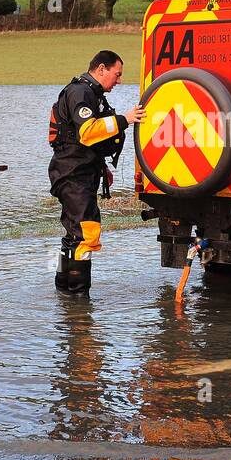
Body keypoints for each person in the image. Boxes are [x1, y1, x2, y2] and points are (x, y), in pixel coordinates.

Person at [47, 50, 144, 293]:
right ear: (101, 69)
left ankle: (65, 296)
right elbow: (88, 131)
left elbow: (86, 141)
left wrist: (101, 168)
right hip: (73, 175)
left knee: (73, 235)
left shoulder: (91, 93)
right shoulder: (80, 92)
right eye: (117, 74)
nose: (119, 80)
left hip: (76, 172)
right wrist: (126, 119)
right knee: (86, 235)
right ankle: (80, 305)